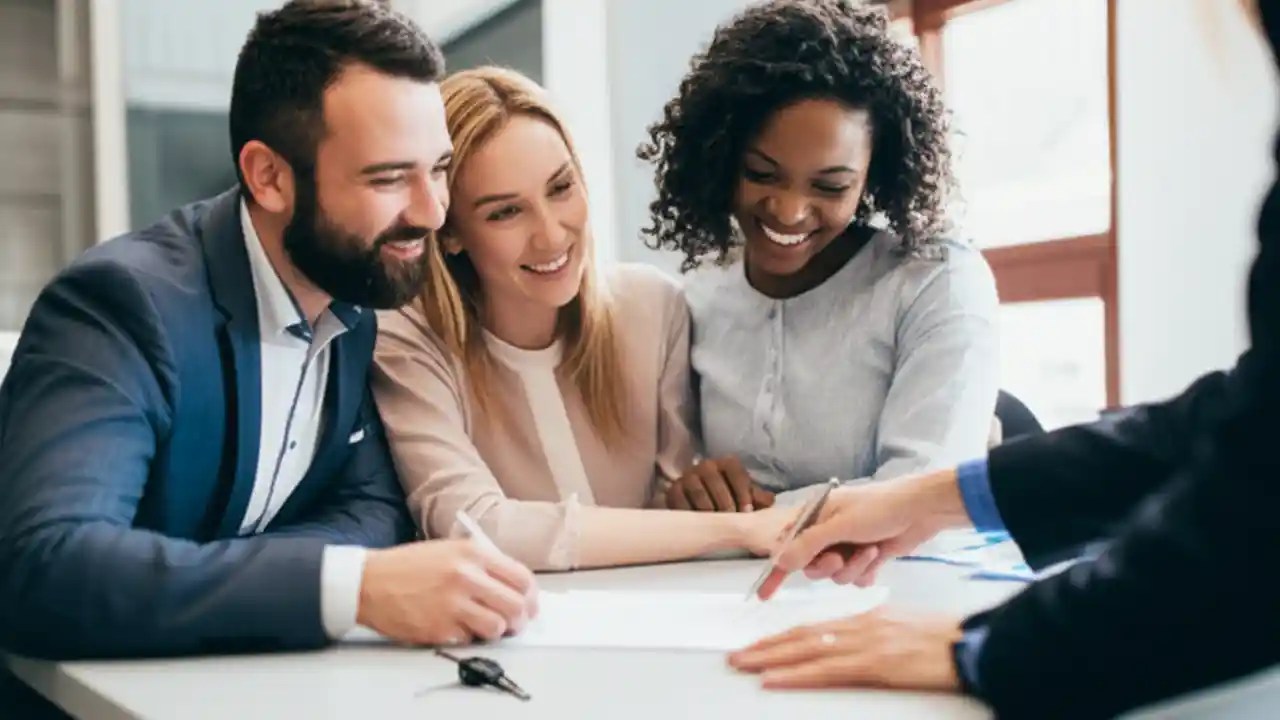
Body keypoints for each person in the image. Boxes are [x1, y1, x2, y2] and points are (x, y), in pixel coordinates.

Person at [729, 2, 1280, 715]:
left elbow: (1257, 507)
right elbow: (1237, 416)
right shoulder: (701, 292)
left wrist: (995, 647)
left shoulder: (934, 276)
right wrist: (930, 499)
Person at [0, 0, 537, 662]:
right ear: (269, 177)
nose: (431, 211)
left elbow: (372, 507)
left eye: (439, 169)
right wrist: (352, 588)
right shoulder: (121, 306)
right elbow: (47, 565)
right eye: (390, 178)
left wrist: (241, 577)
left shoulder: (353, 300)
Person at [371, 67, 793, 571]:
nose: (551, 235)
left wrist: (702, 499)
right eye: (505, 212)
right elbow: (477, 527)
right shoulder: (407, 341)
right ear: (450, 231)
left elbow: (669, 509)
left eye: (561, 187)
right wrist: (736, 530)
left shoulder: (652, 308)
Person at [638, 0, 1000, 512]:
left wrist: (748, 520)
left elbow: (921, 493)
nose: (789, 211)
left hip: (914, 560)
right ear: (720, 159)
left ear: (874, 177)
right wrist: (692, 494)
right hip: (739, 562)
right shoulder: (697, 297)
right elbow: (677, 477)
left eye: (830, 186)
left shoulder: (934, 281)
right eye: (761, 174)